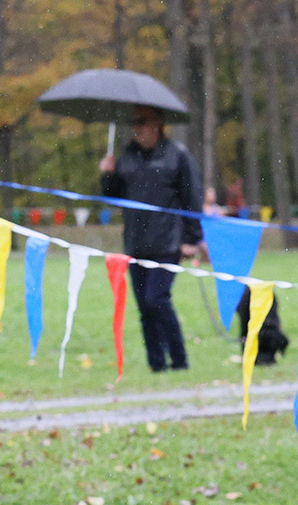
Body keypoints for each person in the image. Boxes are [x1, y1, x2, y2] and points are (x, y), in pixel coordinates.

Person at [100, 104, 202, 373]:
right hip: (135, 242)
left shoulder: (177, 155)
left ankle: (179, 360)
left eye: (143, 122)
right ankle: (156, 363)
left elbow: (192, 198)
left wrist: (192, 238)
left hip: (168, 241)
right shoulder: (127, 157)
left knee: (158, 299)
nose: (138, 128)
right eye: (135, 123)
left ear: (157, 124)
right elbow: (112, 197)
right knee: (144, 306)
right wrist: (107, 175)